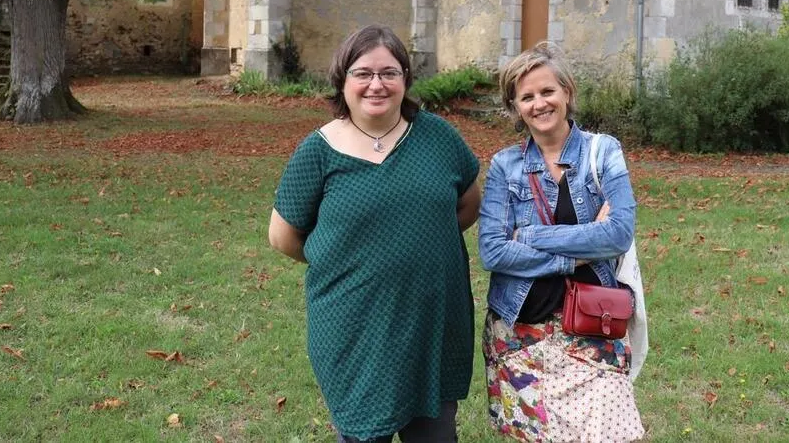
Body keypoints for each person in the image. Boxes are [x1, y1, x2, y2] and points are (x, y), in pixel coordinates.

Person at [268, 24, 482, 443]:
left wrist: (423, 239)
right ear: (342, 79)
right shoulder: (317, 151)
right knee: (364, 433)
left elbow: (469, 202)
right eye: (363, 73)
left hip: (431, 320)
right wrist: (346, 260)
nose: (376, 84)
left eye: (389, 72)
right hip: (354, 325)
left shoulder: (437, 137)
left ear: (405, 78)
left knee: (435, 434)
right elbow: (282, 237)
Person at [478, 43, 645, 442]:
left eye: (547, 91)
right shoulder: (506, 165)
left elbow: (619, 232)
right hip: (519, 332)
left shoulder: (603, 151)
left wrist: (534, 237)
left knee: (613, 433)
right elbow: (493, 250)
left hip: (593, 326)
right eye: (527, 96)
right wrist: (576, 259)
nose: (540, 103)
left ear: (567, 92)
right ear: (516, 107)